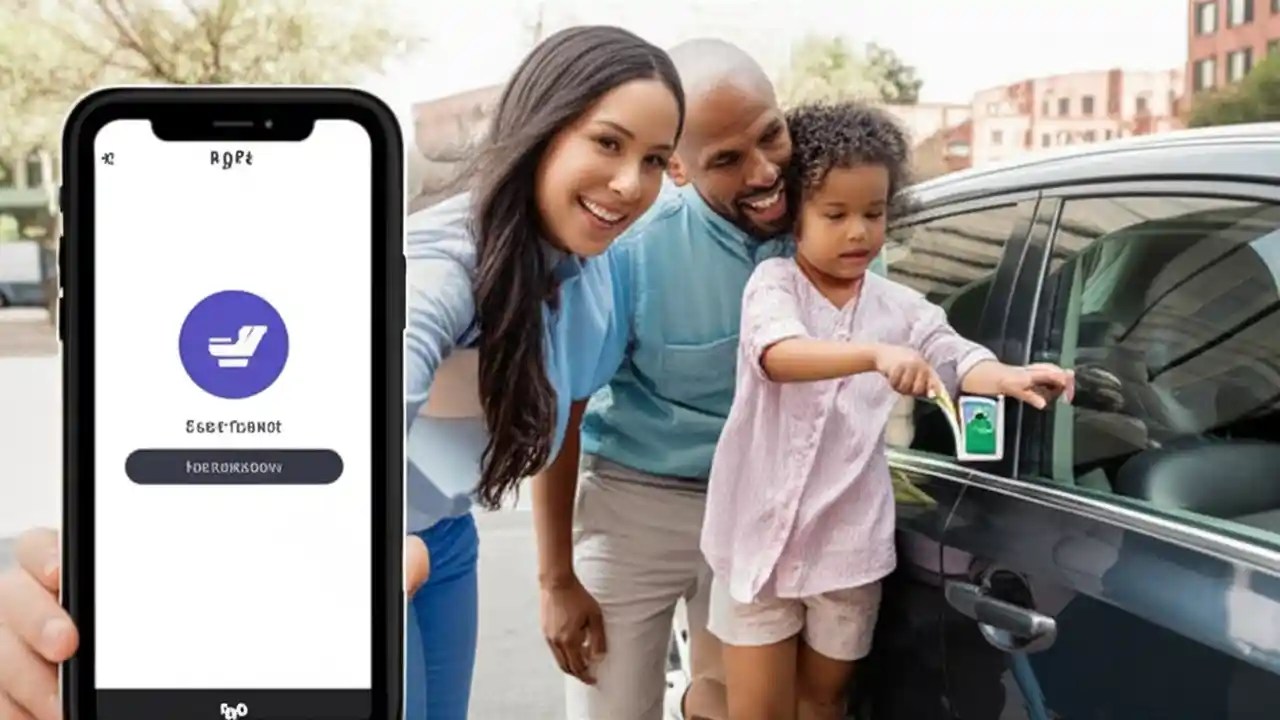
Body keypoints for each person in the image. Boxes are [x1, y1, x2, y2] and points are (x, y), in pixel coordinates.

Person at [0, 25, 685, 720]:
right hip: (358, 540)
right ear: (543, 129)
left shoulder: (600, 262)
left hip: (446, 537)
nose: (631, 184)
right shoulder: (441, 269)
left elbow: (565, 410)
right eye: (608, 142)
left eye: (656, 159)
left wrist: (556, 574)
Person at [700, 101, 1075, 720]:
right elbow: (777, 355)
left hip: (847, 550)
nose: (858, 233)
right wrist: (872, 355)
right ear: (795, 215)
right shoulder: (773, 287)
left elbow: (951, 353)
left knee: (824, 703)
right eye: (836, 214)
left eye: (873, 214)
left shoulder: (900, 305)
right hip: (757, 546)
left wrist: (1005, 375)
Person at [533, 38, 805, 720]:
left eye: (772, 135)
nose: (765, 170)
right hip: (636, 502)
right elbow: (565, 407)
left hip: (760, 512)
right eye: (728, 160)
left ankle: (694, 701)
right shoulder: (630, 250)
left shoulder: (831, 225)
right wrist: (556, 578)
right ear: (678, 170)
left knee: (742, 708)